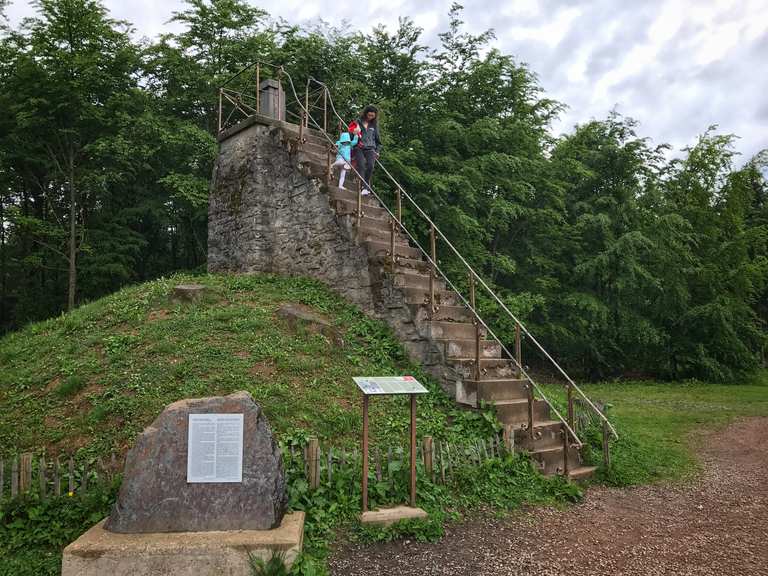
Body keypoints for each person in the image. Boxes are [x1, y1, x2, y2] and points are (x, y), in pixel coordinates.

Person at [350, 105, 382, 195]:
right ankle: (364, 187)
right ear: (365, 114)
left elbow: (379, 142)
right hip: (359, 147)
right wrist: (353, 132)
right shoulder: (357, 122)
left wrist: (378, 151)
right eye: (369, 115)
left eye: (373, 116)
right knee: (361, 166)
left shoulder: (374, 125)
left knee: (371, 166)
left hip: (371, 148)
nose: (370, 118)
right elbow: (350, 136)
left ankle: (365, 186)